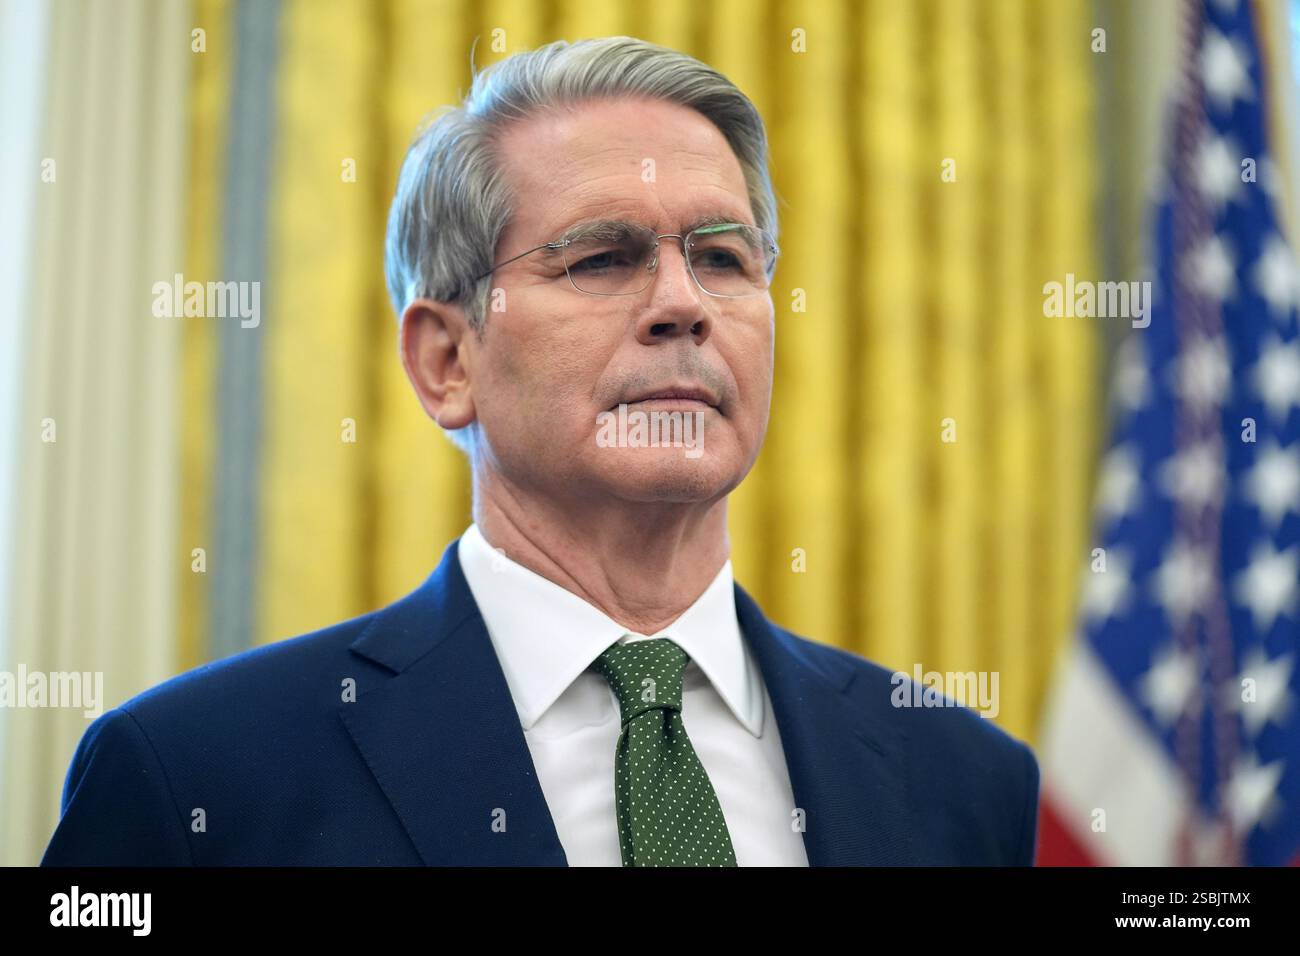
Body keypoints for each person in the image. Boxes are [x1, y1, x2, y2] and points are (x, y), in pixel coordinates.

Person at [42, 35, 1038, 867]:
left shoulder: (962, 781)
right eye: (602, 257)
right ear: (445, 360)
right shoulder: (199, 776)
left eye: (723, 256)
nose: (682, 303)